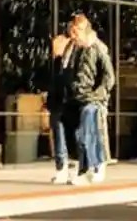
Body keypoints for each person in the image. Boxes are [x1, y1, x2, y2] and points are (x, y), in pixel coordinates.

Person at [68, 13, 115, 184]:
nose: (73, 37)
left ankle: (97, 165)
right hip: (80, 99)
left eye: (75, 33)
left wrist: (97, 97)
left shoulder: (98, 49)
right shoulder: (78, 51)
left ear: (84, 30)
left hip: (93, 101)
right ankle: (84, 169)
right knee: (79, 135)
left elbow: (109, 78)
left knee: (91, 132)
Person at [45, 31, 79, 185]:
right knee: (58, 136)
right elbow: (52, 82)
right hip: (57, 103)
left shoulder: (72, 57)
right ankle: (61, 169)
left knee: (71, 137)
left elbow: (66, 79)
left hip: (68, 101)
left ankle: (74, 168)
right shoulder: (56, 61)